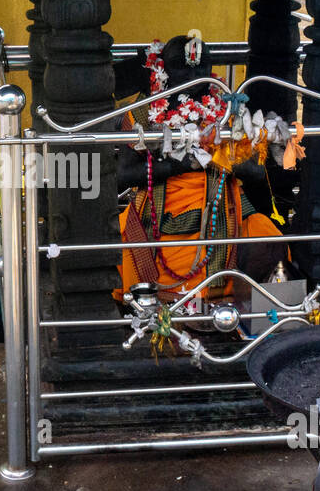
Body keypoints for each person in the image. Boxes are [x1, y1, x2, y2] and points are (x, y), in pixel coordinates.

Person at [112, 35, 288, 308]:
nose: (194, 75)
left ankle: (238, 307)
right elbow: (123, 175)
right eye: (182, 67)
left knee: (270, 241)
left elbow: (255, 171)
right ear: (161, 69)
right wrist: (178, 165)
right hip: (162, 207)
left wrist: (219, 159)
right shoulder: (143, 113)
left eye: (202, 66)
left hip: (225, 204)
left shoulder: (228, 108)